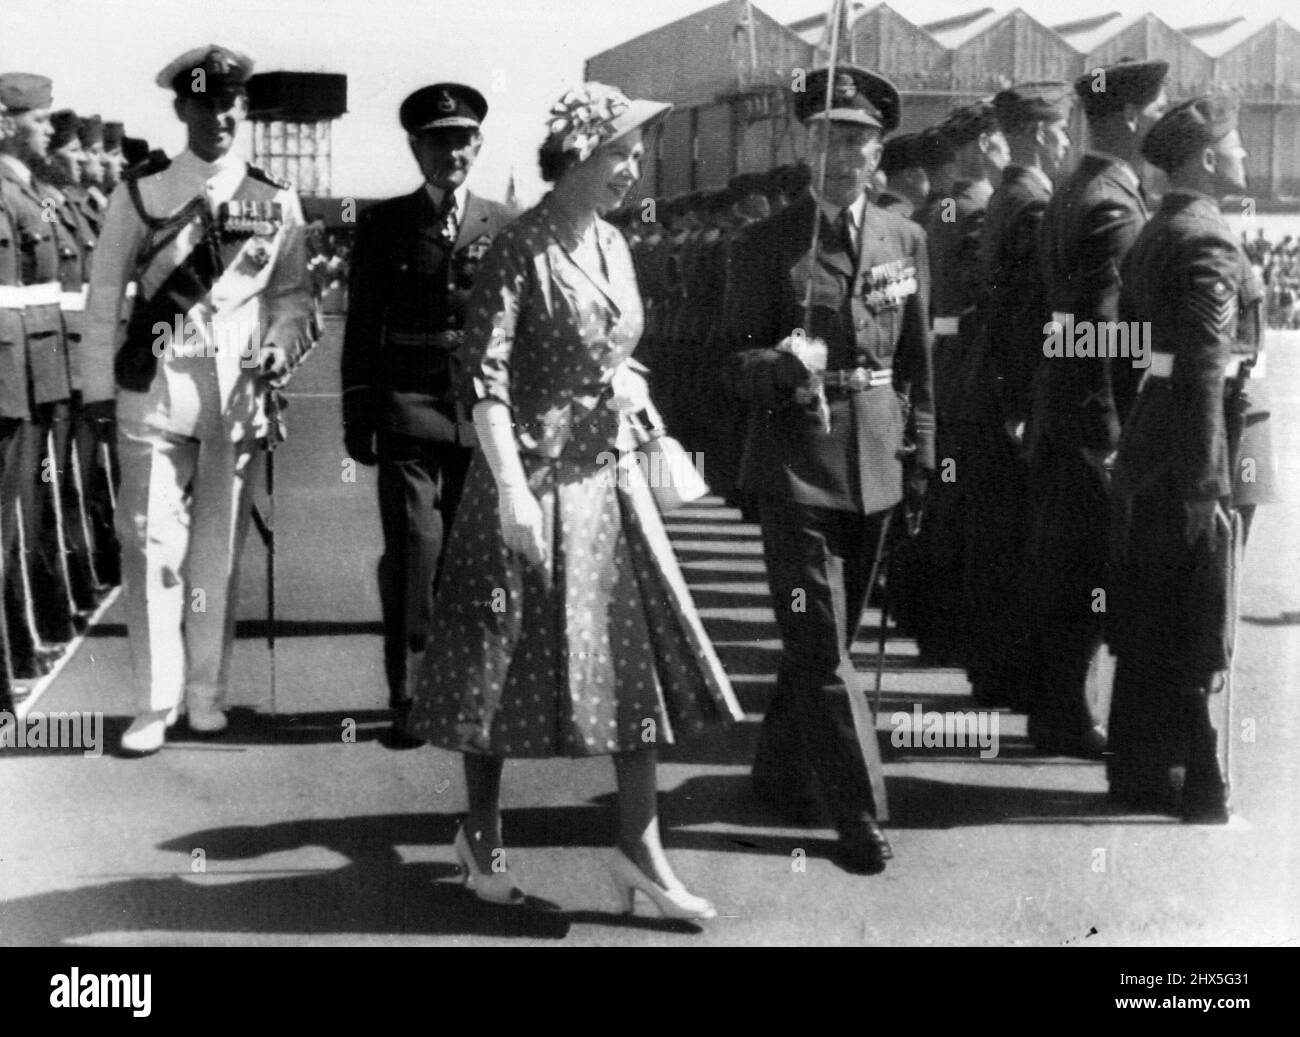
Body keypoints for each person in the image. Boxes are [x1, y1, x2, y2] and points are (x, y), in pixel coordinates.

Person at [405, 82, 740, 918]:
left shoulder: (616, 245)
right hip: (527, 481)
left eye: (634, 154)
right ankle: (480, 836)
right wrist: (512, 490)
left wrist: (626, 387)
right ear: (578, 154)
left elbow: (611, 346)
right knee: (496, 662)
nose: (631, 168)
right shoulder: (516, 248)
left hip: (607, 479)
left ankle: (640, 849)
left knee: (636, 665)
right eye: (620, 153)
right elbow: (482, 380)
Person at [720, 66, 935, 874]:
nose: (839, 154)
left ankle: (778, 769)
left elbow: (917, 362)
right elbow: (722, 363)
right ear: (803, 146)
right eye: (823, 137)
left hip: (878, 461)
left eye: (855, 139)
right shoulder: (765, 243)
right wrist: (777, 363)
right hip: (796, 468)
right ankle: (858, 815)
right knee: (821, 649)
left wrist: (922, 458)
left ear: (878, 153)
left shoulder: (904, 237)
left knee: (825, 642)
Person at [81, 45, 315, 756]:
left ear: (244, 108)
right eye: (206, 103)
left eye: (231, 103)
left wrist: (280, 344)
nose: (220, 116)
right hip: (152, 388)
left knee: (215, 555)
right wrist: (97, 392)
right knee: (149, 544)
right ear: (182, 109)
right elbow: (100, 301)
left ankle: (205, 692)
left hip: (235, 392)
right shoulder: (143, 195)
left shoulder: (274, 198)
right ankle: (153, 702)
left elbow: (294, 296)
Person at [340, 83, 514, 748]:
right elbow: (362, 325)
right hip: (407, 405)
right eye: (439, 140)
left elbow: (515, 325)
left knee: (472, 556)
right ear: (416, 147)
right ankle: (408, 694)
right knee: (416, 547)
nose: (453, 152)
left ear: (478, 145)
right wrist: (359, 410)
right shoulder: (385, 225)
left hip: (481, 410)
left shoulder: (504, 222)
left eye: (464, 139)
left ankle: (467, 685)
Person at [1107, 96, 1254, 822]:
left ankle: (1136, 765)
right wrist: (1206, 482)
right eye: (1236, 148)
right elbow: (1202, 365)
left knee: (1149, 607)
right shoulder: (1207, 239)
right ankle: (1200, 774)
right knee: (1196, 610)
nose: (1245, 159)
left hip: (1149, 433)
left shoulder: (1158, 229)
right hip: (1195, 441)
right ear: (1204, 159)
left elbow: (1138, 349)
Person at [1026, 59, 1168, 757]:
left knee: (1064, 570)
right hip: (1092, 417)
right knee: (1087, 574)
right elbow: (1107, 327)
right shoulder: (1113, 199)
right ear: (1136, 117)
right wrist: (1113, 431)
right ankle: (1066, 715)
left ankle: (1056, 709)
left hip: (1062, 406)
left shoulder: (1073, 186)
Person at [960, 81, 1073, 709]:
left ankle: (992, 671)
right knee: (1015, 542)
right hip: (1013, 390)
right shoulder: (1033, 202)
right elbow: (1028, 316)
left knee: (996, 538)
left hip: (989, 384)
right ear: (1036, 133)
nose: (1064, 143)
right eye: (1058, 132)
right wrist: (1026, 406)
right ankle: (1008, 678)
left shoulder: (1009, 194)